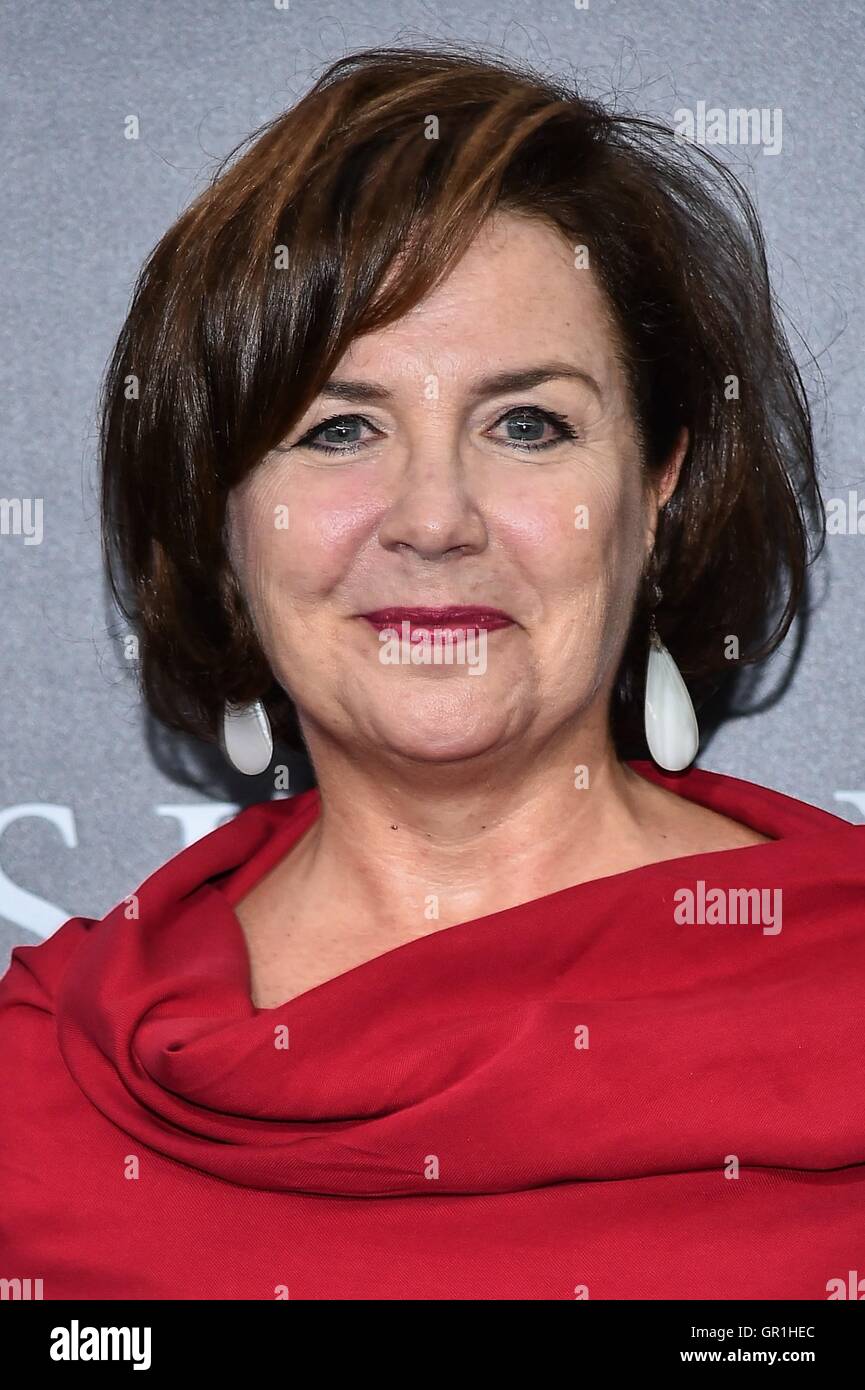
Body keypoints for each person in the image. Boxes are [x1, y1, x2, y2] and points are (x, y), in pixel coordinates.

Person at [1, 45, 862, 1301]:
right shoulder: (45, 1093)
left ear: (657, 486)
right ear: (223, 515)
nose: (434, 517)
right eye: (338, 428)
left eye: (528, 424)